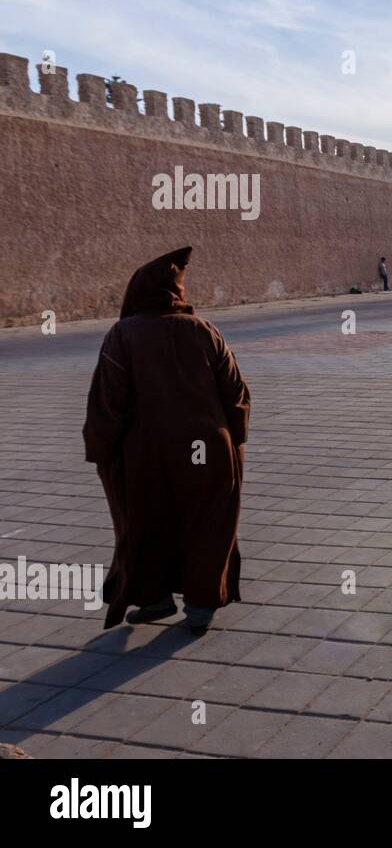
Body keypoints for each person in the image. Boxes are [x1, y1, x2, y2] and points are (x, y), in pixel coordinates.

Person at [83, 247, 251, 636]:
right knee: (208, 521)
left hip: (147, 455)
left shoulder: (123, 336)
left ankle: (155, 596)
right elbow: (237, 393)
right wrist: (234, 443)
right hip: (209, 450)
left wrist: (102, 450)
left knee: (147, 522)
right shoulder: (204, 331)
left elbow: (108, 403)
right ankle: (200, 604)